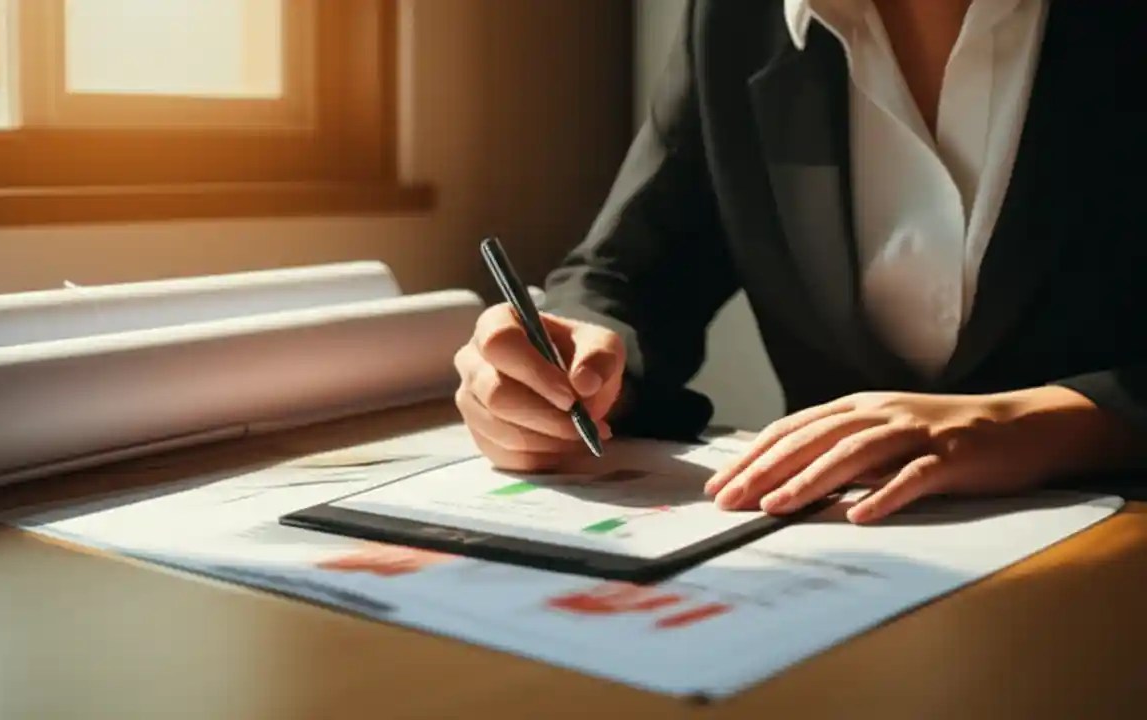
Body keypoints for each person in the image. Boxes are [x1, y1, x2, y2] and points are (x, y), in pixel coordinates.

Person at [454, 0, 1144, 524]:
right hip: (831, 554)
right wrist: (566, 368)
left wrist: (1051, 424)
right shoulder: (736, 18)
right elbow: (625, 275)